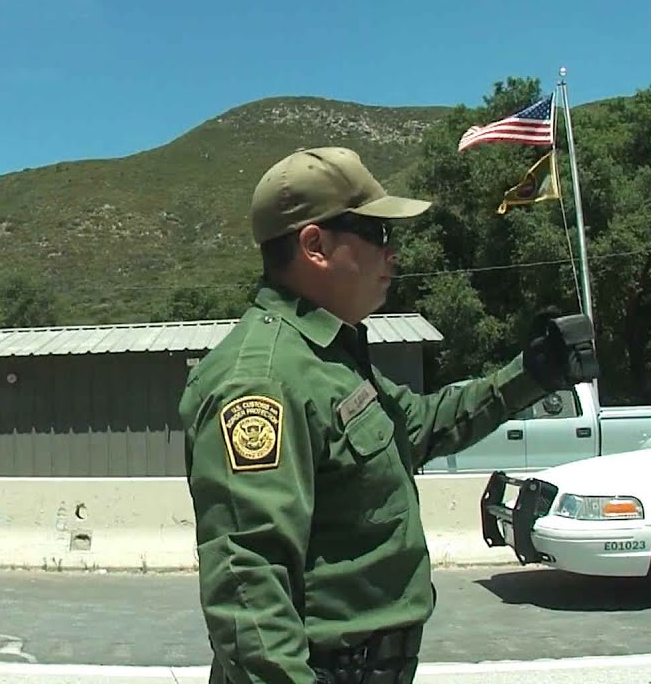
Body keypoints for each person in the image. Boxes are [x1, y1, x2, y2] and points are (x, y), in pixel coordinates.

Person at [178, 146, 599, 684]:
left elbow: (421, 425)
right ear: (315, 245)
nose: (392, 252)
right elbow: (247, 580)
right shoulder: (260, 379)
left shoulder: (329, 356)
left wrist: (533, 373)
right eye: (377, 233)